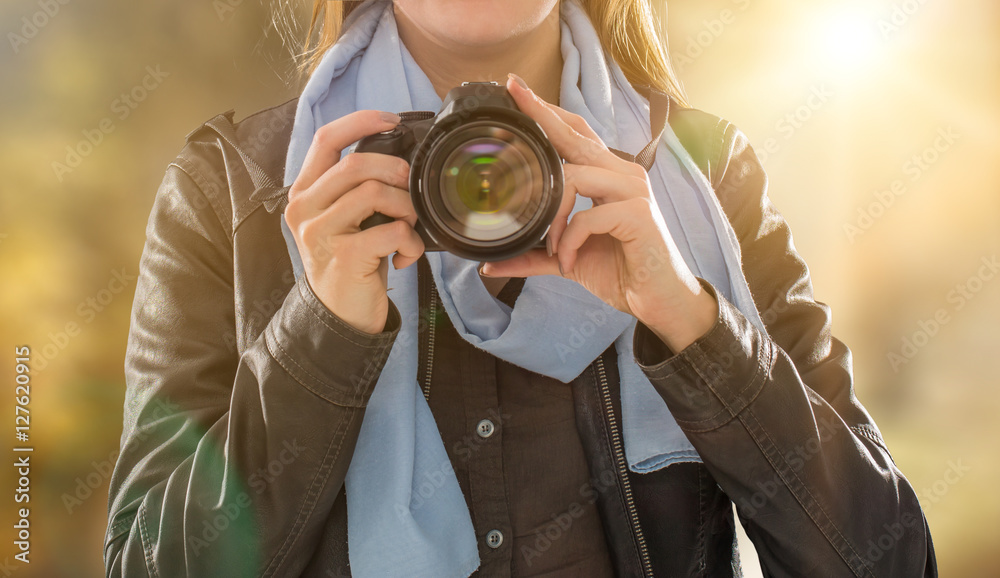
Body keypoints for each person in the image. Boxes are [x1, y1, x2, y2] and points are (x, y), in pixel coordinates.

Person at [104, 0, 937, 576]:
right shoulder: (233, 191)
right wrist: (318, 336)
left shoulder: (703, 179)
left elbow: (887, 558)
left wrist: (690, 319)